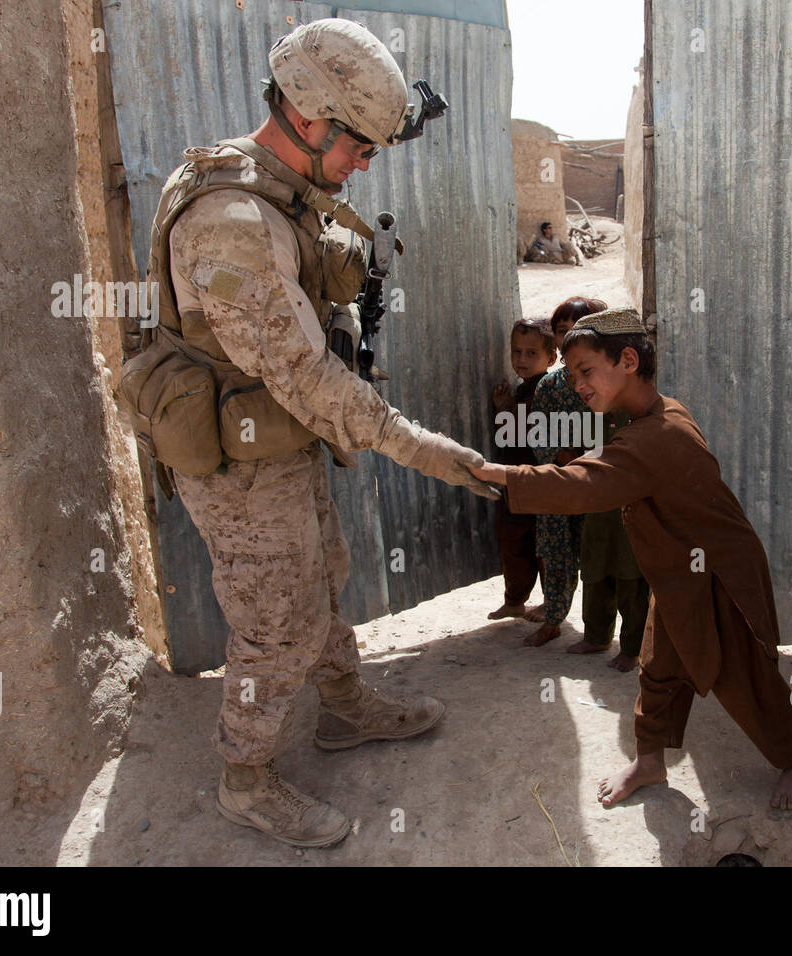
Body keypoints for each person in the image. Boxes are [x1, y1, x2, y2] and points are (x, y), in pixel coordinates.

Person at [134, 18, 498, 849]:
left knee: (322, 572)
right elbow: (302, 375)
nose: (362, 165)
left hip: (277, 436)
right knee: (275, 621)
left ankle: (343, 710)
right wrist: (424, 450)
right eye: (357, 147)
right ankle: (246, 778)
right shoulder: (230, 220)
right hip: (238, 459)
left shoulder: (269, 184)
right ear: (307, 118)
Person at [468, 308, 792, 810]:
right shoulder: (651, 416)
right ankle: (650, 762)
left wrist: (494, 472)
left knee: (745, 680)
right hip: (679, 576)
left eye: (586, 372)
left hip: (720, 577)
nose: (579, 385)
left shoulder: (656, 435)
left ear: (628, 359)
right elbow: (602, 467)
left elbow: (585, 483)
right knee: (658, 669)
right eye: (571, 376)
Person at [522, 297, 607, 646]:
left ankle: (598, 631)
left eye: (578, 328)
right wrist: (559, 455)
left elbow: (620, 429)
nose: (569, 336)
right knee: (555, 551)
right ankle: (554, 617)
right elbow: (537, 430)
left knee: (599, 558)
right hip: (558, 481)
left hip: (600, 483)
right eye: (562, 330)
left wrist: (590, 457)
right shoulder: (549, 386)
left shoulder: (608, 381)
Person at [572, 408, 650, 671]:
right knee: (595, 570)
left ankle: (632, 649)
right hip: (597, 505)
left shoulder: (641, 415)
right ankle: (596, 636)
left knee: (631, 577)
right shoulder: (591, 416)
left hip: (631, 508)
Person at [487, 318, 555, 621]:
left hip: (541, 485)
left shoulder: (550, 390)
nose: (521, 360)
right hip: (514, 482)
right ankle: (515, 599)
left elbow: (534, 429)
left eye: (531, 354)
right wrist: (505, 406)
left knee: (545, 546)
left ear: (550, 358)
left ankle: (553, 603)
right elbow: (511, 434)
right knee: (512, 542)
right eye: (517, 352)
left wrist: (508, 409)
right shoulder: (521, 389)